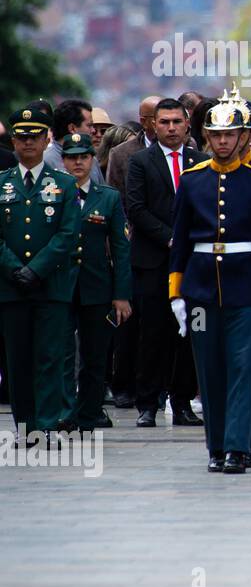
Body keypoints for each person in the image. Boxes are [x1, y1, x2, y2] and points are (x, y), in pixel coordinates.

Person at [169, 87, 251, 473]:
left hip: (248, 286)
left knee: (243, 367)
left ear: (243, 136)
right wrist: (176, 293)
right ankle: (216, 446)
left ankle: (238, 446)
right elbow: (181, 241)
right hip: (202, 288)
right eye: (216, 135)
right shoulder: (192, 180)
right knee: (210, 369)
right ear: (207, 136)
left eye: (229, 135)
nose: (222, 142)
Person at [0, 106, 81, 439]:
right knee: (17, 360)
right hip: (11, 285)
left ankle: (47, 426)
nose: (28, 144)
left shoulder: (62, 184)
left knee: (49, 357)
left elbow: (68, 234)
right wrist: (16, 268)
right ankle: (25, 425)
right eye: (21, 138)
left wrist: (37, 269)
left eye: (34, 137)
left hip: (50, 284)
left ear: (47, 138)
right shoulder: (2, 183)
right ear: (14, 141)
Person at [124, 97, 203, 428]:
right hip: (155, 260)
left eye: (177, 122)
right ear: (153, 125)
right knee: (153, 333)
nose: (171, 128)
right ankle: (147, 403)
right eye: (165, 122)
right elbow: (136, 208)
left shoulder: (201, 161)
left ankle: (182, 401)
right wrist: (170, 237)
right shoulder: (141, 161)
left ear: (187, 124)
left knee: (187, 334)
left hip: (192, 262)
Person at [60, 133, 131, 431]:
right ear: (63, 160)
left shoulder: (108, 196)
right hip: (60, 285)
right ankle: (63, 412)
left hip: (96, 285)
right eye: (72, 156)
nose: (78, 162)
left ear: (92, 158)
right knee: (61, 354)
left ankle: (90, 412)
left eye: (84, 156)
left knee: (94, 354)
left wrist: (122, 294)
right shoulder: (53, 191)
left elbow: (120, 247)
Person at [107, 96, 162, 192]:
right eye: (159, 118)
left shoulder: (179, 149)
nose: (166, 124)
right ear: (143, 122)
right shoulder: (121, 153)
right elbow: (116, 195)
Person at [46, 98, 106, 186]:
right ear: (72, 128)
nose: (93, 131)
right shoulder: (46, 162)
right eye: (89, 125)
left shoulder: (92, 160)